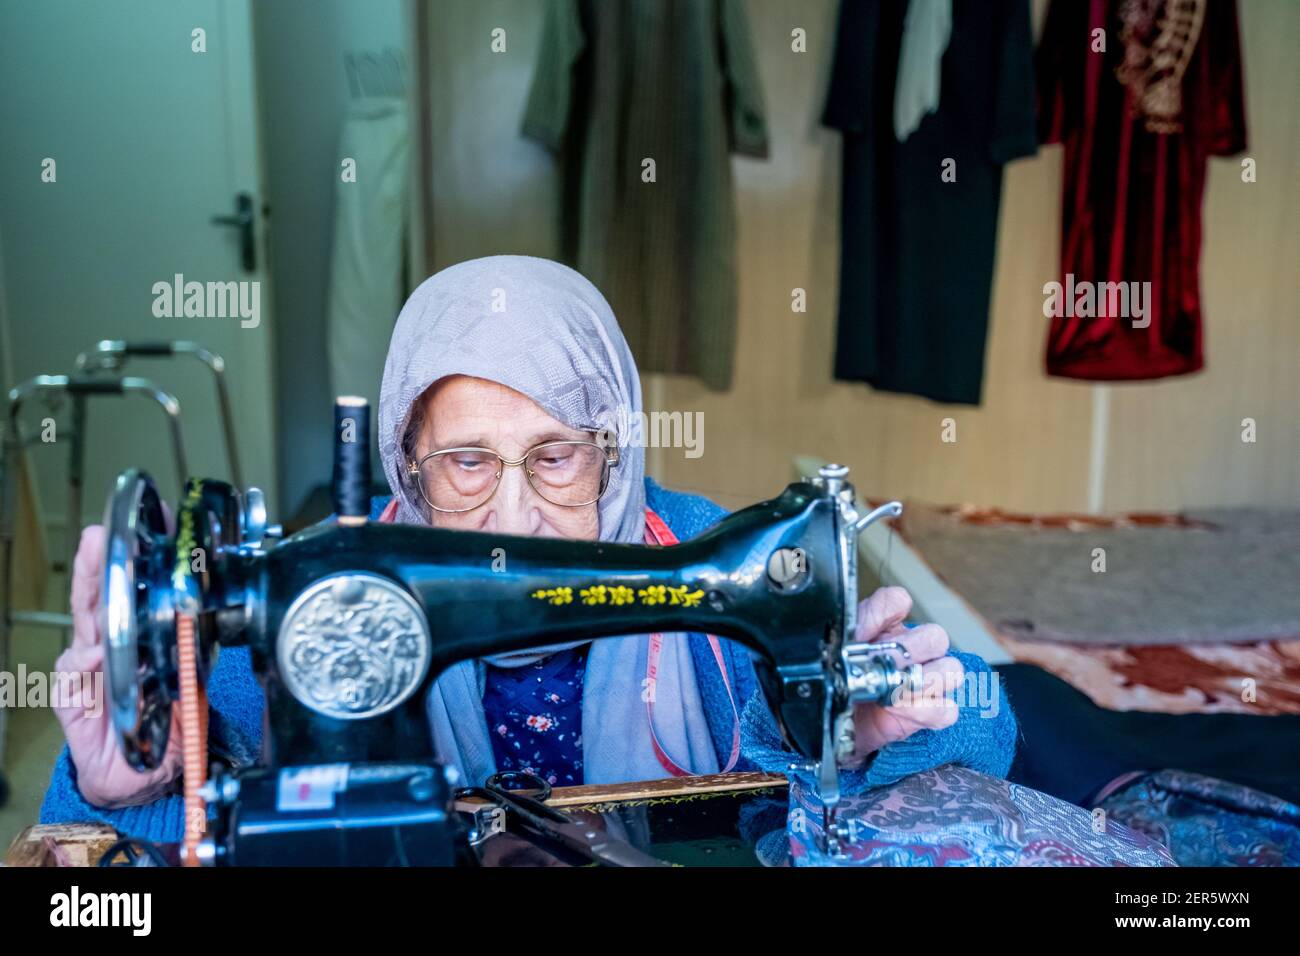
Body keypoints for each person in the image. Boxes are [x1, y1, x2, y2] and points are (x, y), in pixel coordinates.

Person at [41, 255, 1016, 843]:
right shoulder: (321, 592)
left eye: (555, 455)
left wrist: (847, 737)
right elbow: (94, 863)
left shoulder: (713, 554)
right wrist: (128, 785)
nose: (515, 511)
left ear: (614, 451)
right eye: (465, 462)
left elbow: (985, 712)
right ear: (403, 466)